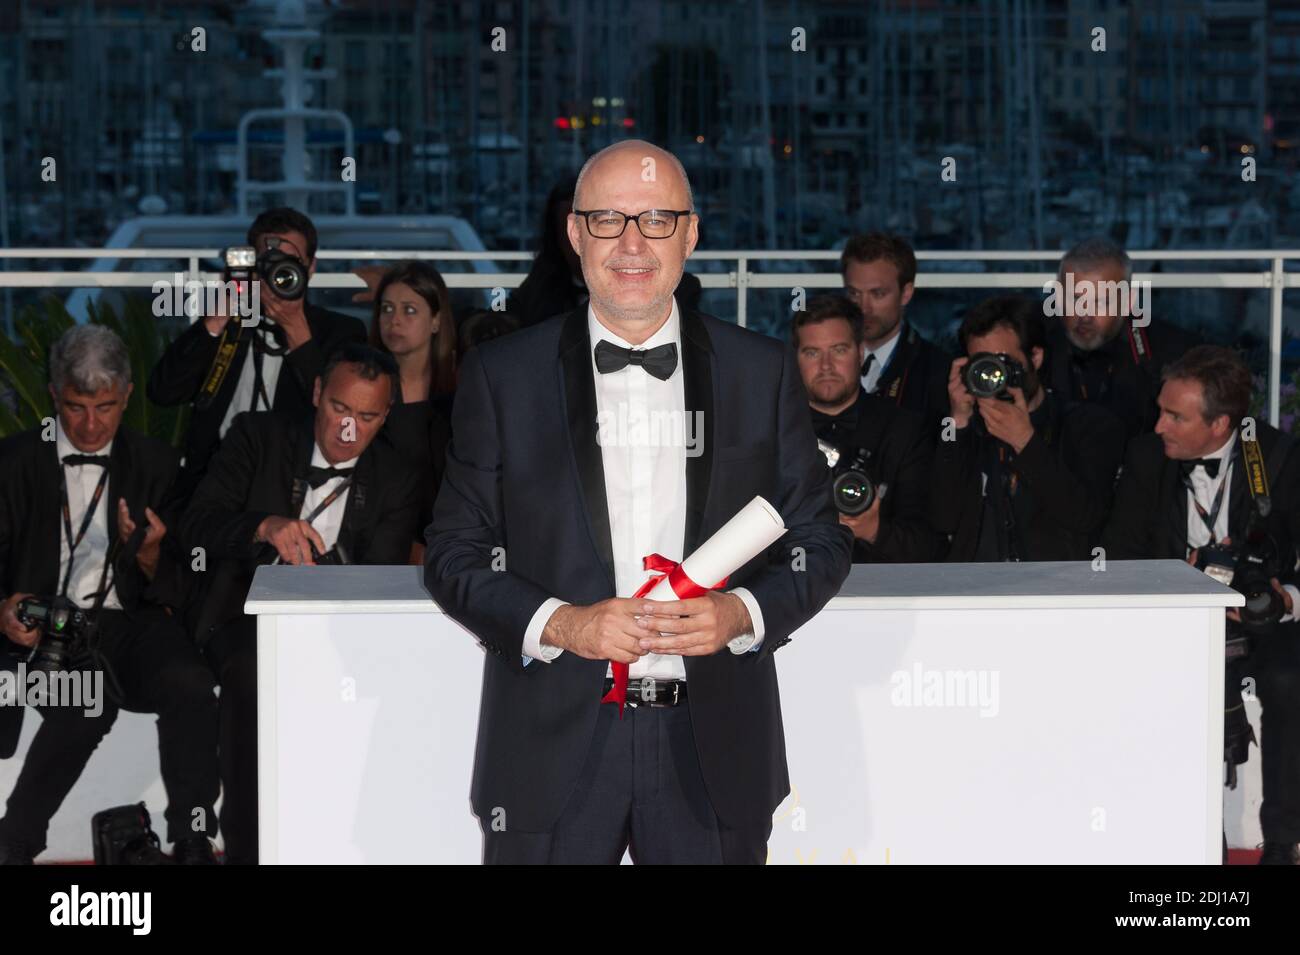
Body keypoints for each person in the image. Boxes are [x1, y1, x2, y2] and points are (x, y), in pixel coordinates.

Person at [425, 139, 852, 865]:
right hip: (551, 738)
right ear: (573, 234)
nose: (630, 242)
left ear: (691, 233)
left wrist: (739, 614)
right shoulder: (502, 375)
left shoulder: (762, 369)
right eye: (606, 219)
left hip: (714, 744)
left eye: (656, 219)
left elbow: (821, 539)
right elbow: (454, 554)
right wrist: (564, 623)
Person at [179, 344, 422, 864]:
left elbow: (379, 580)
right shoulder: (256, 436)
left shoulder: (398, 476)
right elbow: (195, 526)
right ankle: (248, 851)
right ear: (316, 394)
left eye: (368, 416)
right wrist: (262, 526)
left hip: (342, 628)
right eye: (339, 408)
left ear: (387, 416)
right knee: (252, 682)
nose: (349, 430)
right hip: (244, 618)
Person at [0, 325, 219, 865]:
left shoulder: (159, 465)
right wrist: (2, 607)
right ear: (54, 397)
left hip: (127, 620)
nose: (91, 425)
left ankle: (192, 838)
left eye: (105, 407)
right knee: (85, 704)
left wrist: (146, 554)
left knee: (190, 682)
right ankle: (14, 843)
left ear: (124, 396)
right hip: (45, 625)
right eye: (75, 408)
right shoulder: (12, 463)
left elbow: (182, 583)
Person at [1102, 345, 1300, 865]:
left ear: (1220, 425)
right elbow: (1117, 552)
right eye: (1161, 410)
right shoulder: (1146, 455)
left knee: (1289, 680)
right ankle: (1188, 839)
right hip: (1175, 620)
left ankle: (1282, 842)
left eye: (1174, 416)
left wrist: (1283, 597)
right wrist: (1183, 574)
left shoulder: (1278, 459)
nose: (1159, 425)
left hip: (1261, 625)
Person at [147, 206, 368, 501]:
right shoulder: (228, 323)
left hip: (289, 489)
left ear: (311, 267)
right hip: (211, 483)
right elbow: (163, 391)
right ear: (252, 265)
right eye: (267, 262)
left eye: (290, 263)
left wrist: (297, 330)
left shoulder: (340, 331)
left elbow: (340, 419)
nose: (278, 273)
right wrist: (221, 313)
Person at [932, 295, 1126, 562]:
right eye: (982, 363)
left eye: (1002, 361)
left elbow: (1085, 516)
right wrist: (958, 421)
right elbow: (943, 518)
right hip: (975, 589)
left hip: (1054, 590)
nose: (993, 375)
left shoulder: (1089, 425)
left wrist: (1025, 440)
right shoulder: (964, 430)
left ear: (1035, 357)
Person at [796, 294, 940, 563]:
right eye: (812, 352)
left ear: (860, 353)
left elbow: (930, 544)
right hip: (792, 589)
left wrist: (873, 530)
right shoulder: (775, 432)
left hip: (884, 592)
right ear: (796, 359)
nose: (826, 366)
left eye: (839, 350)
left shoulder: (905, 431)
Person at [1042, 236, 1200, 440]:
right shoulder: (1036, 343)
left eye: (1100, 302)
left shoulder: (1171, 352)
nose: (1085, 315)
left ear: (1128, 301)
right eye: (1074, 299)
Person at [508, 175, 704, 328]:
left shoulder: (681, 289)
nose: (578, 240)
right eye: (570, 232)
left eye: (607, 224)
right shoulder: (541, 283)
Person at [367, 261, 455, 559]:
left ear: (435, 321)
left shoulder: (460, 392)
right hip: (376, 539)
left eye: (410, 310)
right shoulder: (364, 389)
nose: (394, 321)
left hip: (444, 545)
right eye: (387, 309)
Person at [840, 232, 951, 439]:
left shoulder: (937, 371)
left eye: (878, 294)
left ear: (906, 293)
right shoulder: (822, 363)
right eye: (854, 293)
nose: (863, 308)